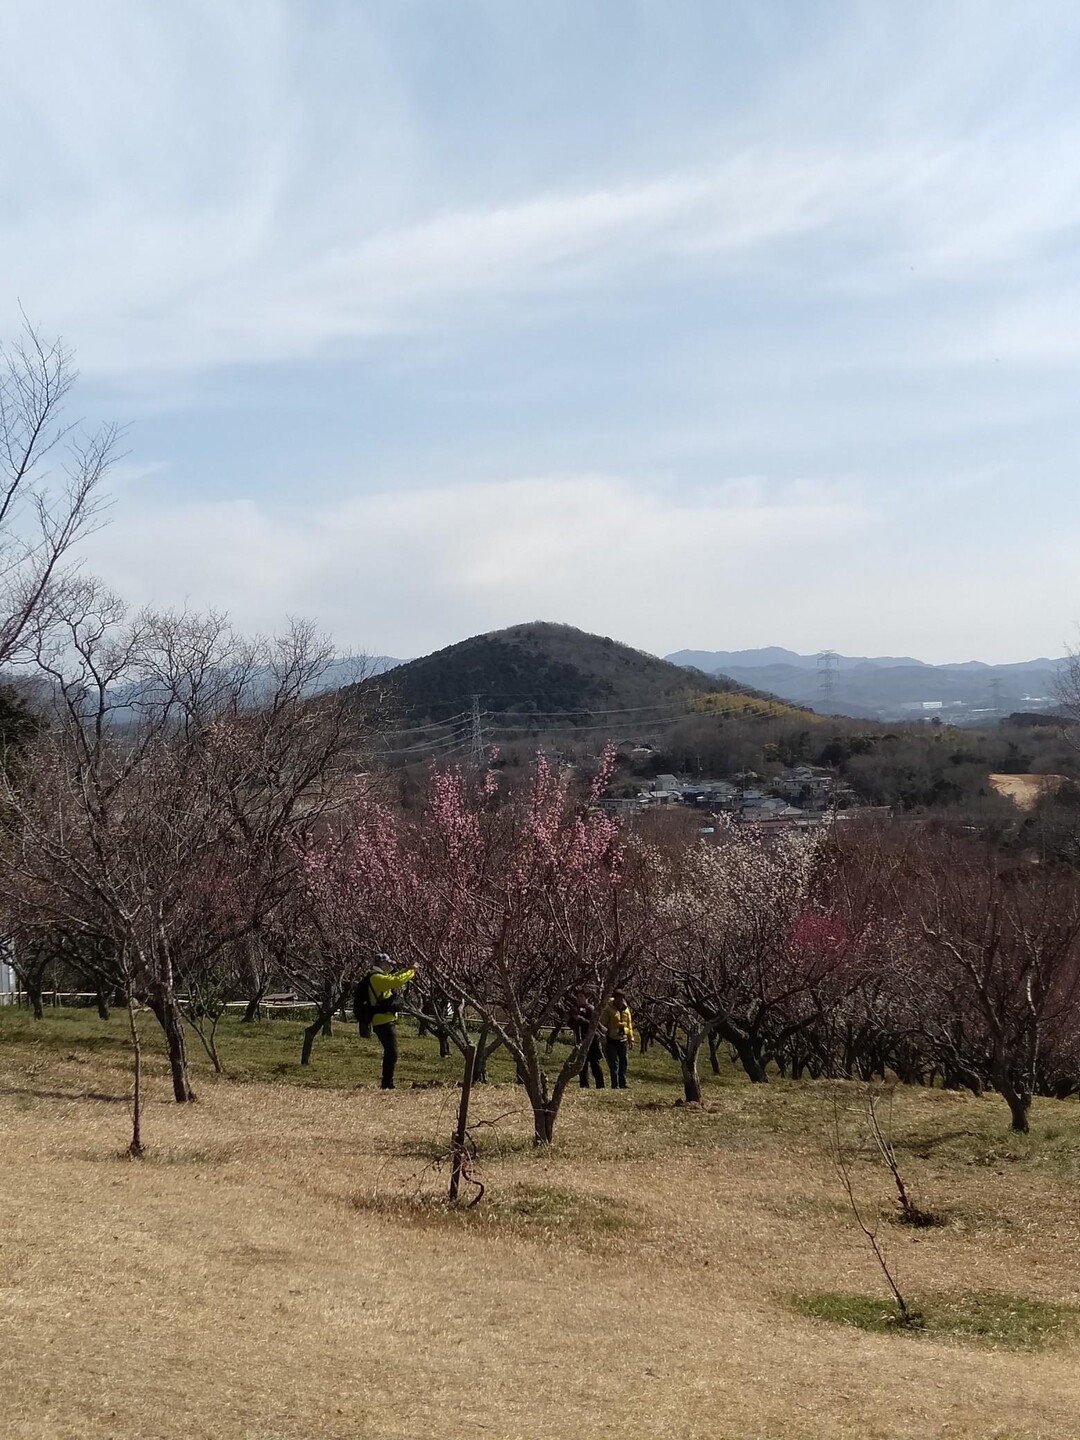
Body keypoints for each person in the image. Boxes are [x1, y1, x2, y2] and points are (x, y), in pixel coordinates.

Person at [364, 955, 415, 1090]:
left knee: (390, 1052)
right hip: (383, 1020)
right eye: (388, 963)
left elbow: (393, 978)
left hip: (385, 1019)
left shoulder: (377, 976)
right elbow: (396, 981)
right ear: (381, 963)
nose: (390, 966)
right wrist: (412, 971)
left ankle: (387, 1082)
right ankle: (387, 1083)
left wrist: (406, 969)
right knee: (392, 1052)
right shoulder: (376, 978)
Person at [569, 990, 605, 1089]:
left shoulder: (590, 1009)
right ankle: (584, 1084)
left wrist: (580, 1019)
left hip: (592, 1039)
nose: (579, 999)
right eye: (578, 997)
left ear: (586, 998)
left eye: (581, 996)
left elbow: (593, 1024)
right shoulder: (576, 1008)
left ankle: (600, 1085)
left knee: (594, 1063)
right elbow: (571, 1024)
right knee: (582, 1063)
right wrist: (572, 1018)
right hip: (580, 1039)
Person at [602, 990, 634, 1090]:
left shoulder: (626, 1009)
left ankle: (623, 1083)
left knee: (624, 1062)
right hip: (612, 1040)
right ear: (615, 998)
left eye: (622, 998)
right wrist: (604, 1036)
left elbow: (629, 1025)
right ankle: (615, 1085)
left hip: (623, 1039)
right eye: (619, 998)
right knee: (614, 1063)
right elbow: (602, 1024)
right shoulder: (608, 1009)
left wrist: (631, 1039)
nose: (620, 1000)